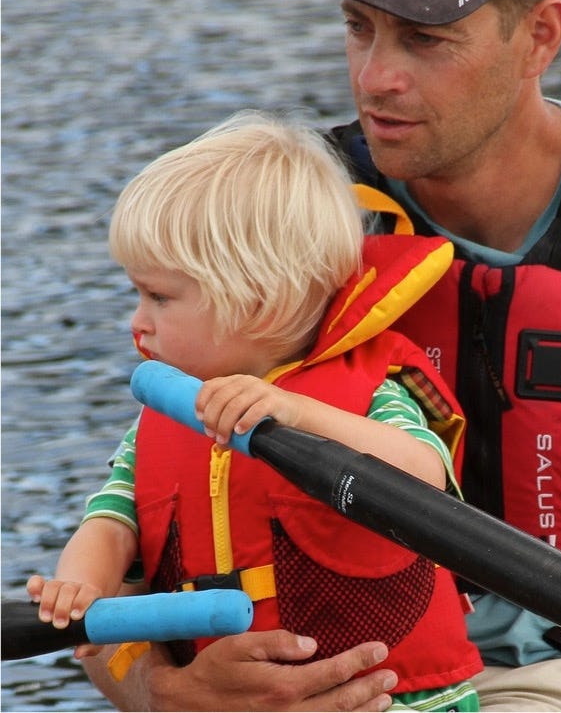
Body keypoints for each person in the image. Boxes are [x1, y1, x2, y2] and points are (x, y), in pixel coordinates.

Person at [80, 0, 561, 710]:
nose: (375, 76)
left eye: (424, 39)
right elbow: (131, 525)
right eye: (358, 26)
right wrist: (161, 690)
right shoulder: (282, 225)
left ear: (540, 37)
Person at [27, 112, 483, 711]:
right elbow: (113, 520)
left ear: (260, 305)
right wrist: (80, 586)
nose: (136, 322)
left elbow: (424, 476)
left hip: (398, 699)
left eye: (160, 297)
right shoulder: (163, 420)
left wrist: (296, 413)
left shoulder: (369, 392)